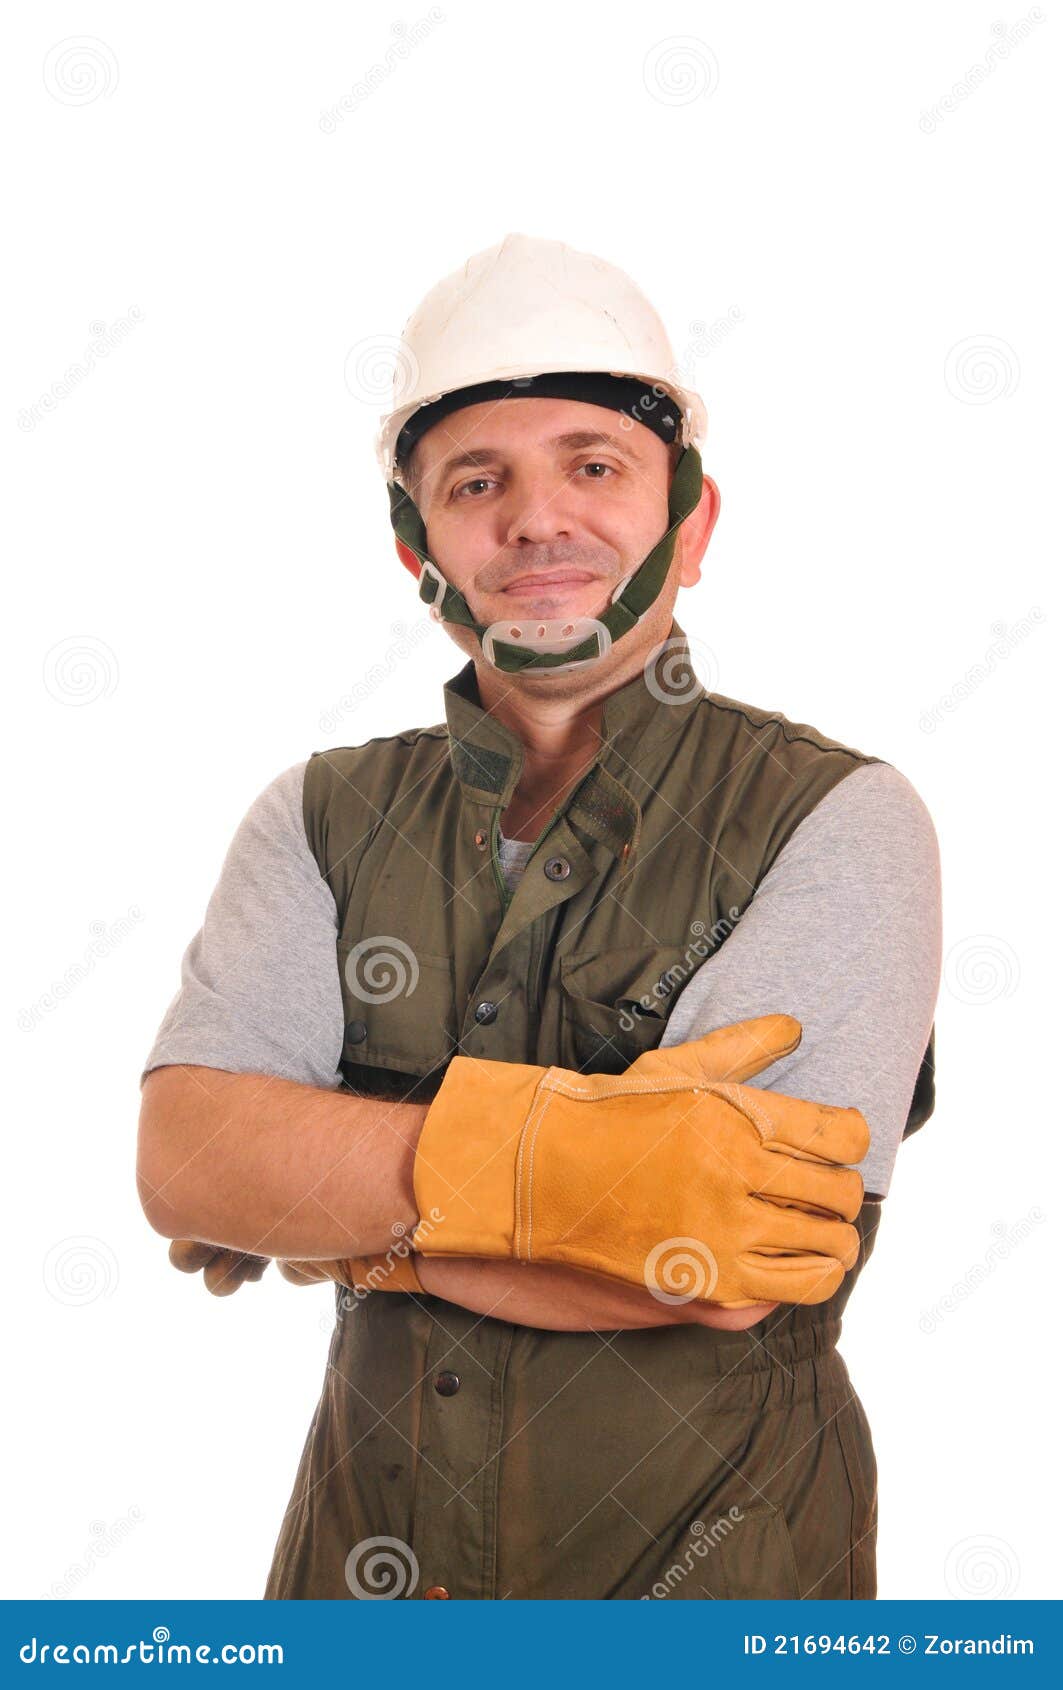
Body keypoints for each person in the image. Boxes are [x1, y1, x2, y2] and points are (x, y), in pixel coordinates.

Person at [137, 232, 941, 1601]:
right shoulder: (318, 816)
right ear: (417, 544)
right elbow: (189, 1156)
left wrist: (345, 1222)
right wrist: (569, 1176)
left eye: (595, 465)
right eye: (477, 481)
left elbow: (724, 1259)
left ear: (692, 523)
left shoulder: (841, 819)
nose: (536, 521)